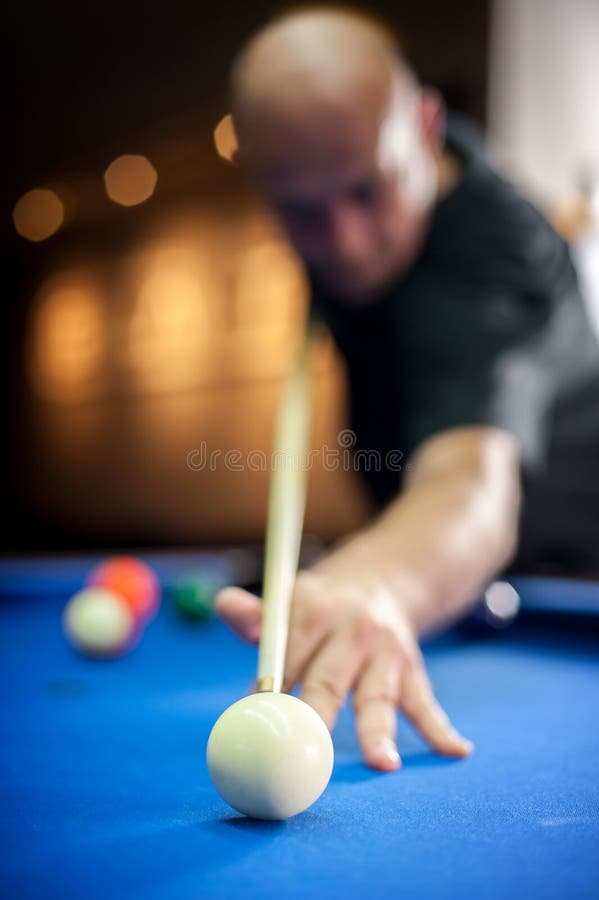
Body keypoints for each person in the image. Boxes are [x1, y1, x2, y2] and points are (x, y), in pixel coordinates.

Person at [216, 7, 599, 772]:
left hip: (563, 576)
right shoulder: (344, 183)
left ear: (426, 126)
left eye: (367, 190)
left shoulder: (498, 259)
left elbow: (471, 485)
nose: (346, 243)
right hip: (446, 581)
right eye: (302, 210)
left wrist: (376, 579)